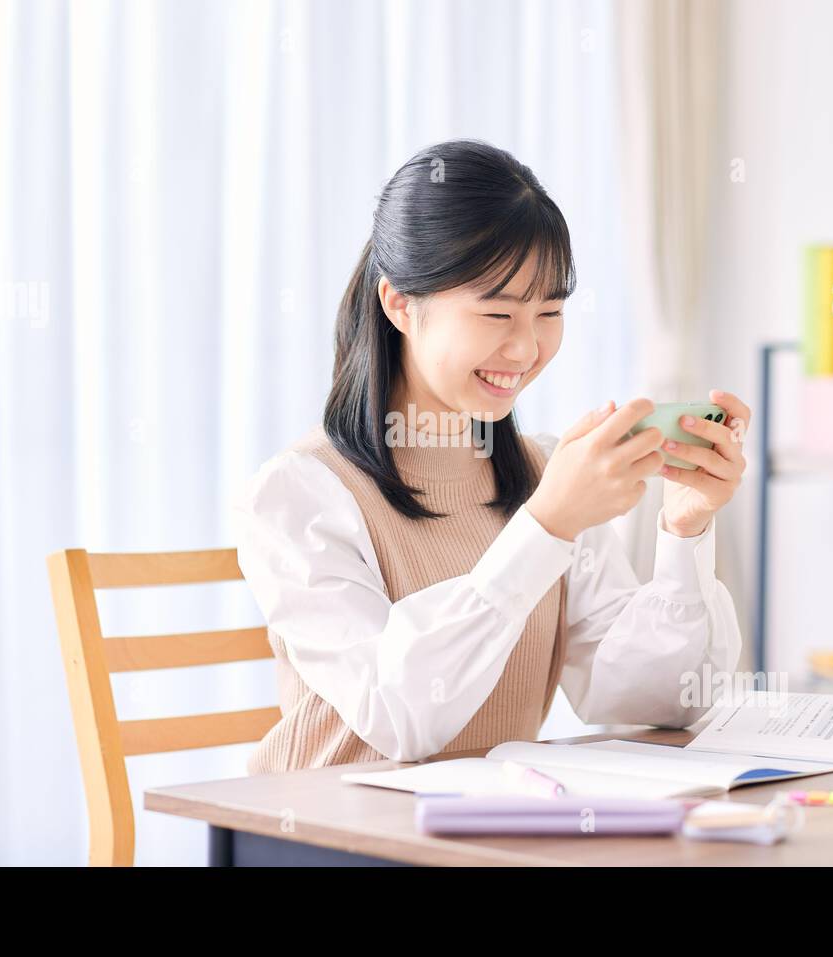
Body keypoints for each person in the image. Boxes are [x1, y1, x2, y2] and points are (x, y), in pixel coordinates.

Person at [233, 139, 749, 774]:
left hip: (484, 833)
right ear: (398, 303)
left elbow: (653, 701)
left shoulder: (544, 474)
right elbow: (399, 719)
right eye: (497, 313)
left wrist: (684, 529)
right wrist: (545, 529)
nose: (526, 348)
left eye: (549, 312)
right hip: (323, 836)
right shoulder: (300, 495)